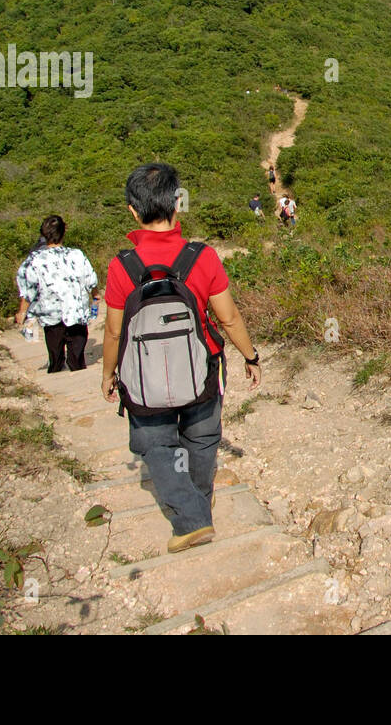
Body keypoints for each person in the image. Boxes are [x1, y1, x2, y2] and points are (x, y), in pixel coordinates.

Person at [100, 163, 262, 553]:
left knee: (157, 444)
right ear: (177, 203)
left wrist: (108, 374)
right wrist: (251, 356)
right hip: (202, 366)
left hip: (143, 374)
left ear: (133, 212)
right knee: (202, 438)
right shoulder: (201, 256)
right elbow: (229, 317)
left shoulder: (122, 266)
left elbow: (113, 330)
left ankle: (190, 518)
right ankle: (199, 504)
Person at [15, 215, 98, 373]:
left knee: (55, 358)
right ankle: (76, 383)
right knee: (77, 360)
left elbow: (29, 289)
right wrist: (95, 295)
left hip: (51, 315)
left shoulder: (36, 259)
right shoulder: (77, 255)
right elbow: (91, 279)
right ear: (63, 232)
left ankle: (58, 376)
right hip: (76, 313)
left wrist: (22, 311)